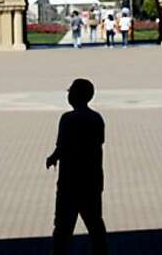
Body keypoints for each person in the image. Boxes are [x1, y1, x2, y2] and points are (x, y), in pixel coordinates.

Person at [46, 79, 108, 255]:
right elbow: (98, 143)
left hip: (69, 181)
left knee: (63, 227)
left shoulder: (67, 119)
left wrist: (52, 158)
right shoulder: (96, 118)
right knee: (95, 223)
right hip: (92, 180)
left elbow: (62, 146)